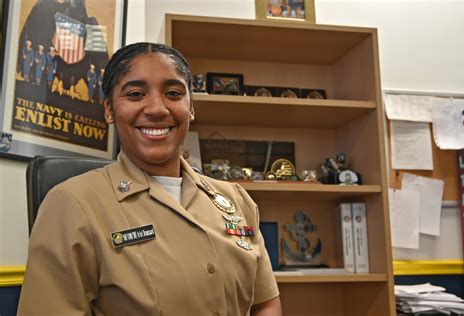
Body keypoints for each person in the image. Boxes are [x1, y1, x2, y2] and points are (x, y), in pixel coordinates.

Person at [18, 42, 282, 315]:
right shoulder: (71, 204)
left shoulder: (235, 198)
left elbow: (265, 302)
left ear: (191, 108)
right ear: (109, 109)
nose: (157, 108)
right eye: (135, 94)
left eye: (173, 93)